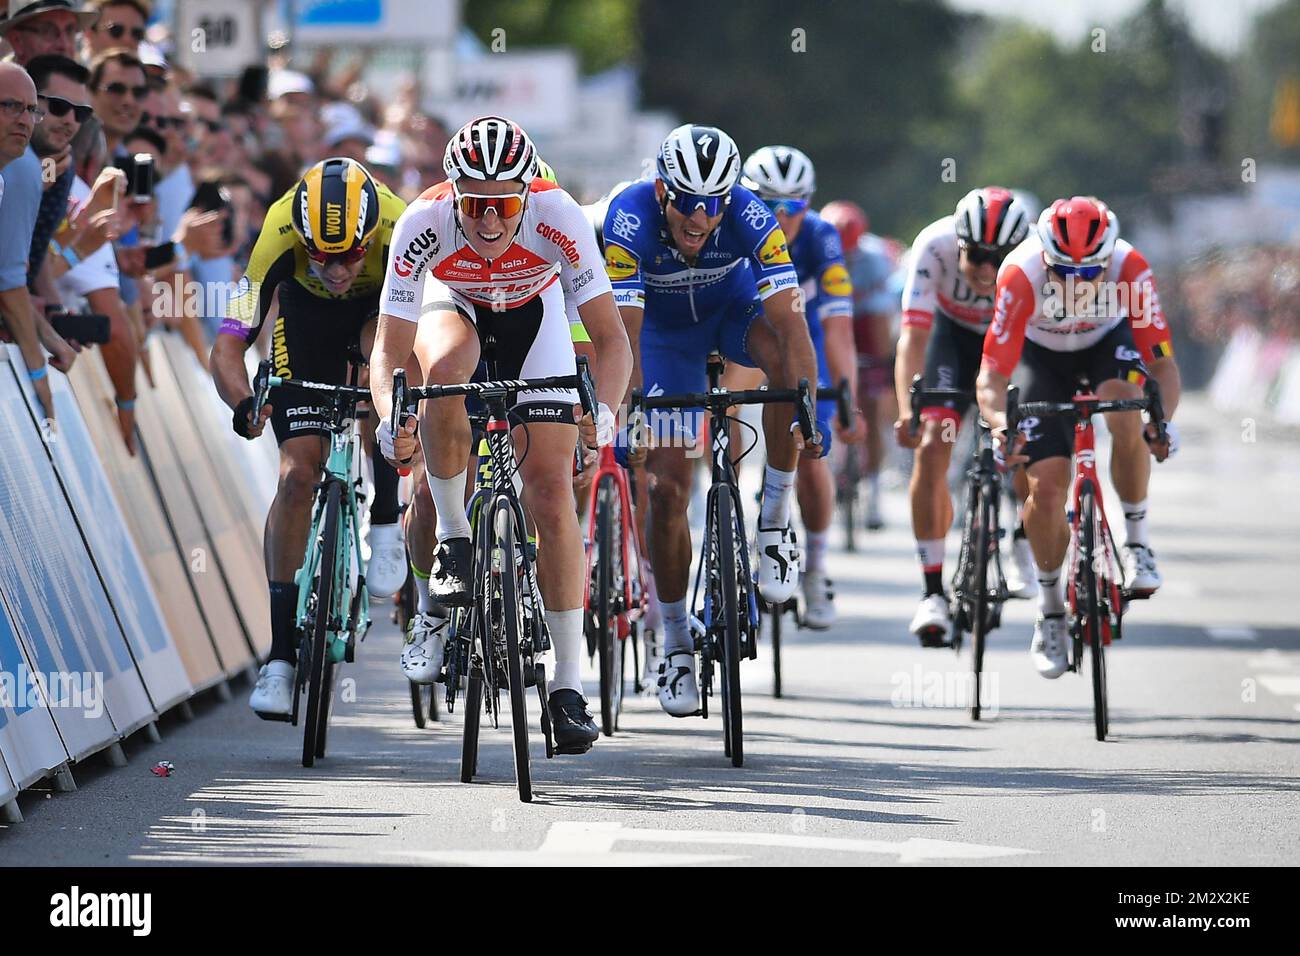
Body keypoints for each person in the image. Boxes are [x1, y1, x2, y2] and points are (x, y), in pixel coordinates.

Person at [368, 116, 632, 754]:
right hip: (452, 310)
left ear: (527, 194)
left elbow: (611, 339)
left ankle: (568, 689)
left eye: (503, 204)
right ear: (453, 194)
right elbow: (389, 348)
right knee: (444, 379)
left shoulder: (558, 215)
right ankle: (449, 563)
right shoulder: (422, 224)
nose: (489, 221)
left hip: (533, 323)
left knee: (550, 492)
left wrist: (609, 410)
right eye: (475, 204)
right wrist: (387, 416)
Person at [602, 124, 820, 716]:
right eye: (687, 206)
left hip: (731, 313)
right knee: (668, 489)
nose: (699, 220)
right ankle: (675, 641)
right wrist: (631, 421)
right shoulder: (628, 220)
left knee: (779, 361)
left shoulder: (751, 216)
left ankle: (774, 519)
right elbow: (626, 339)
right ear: (663, 192)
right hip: (662, 338)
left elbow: (794, 326)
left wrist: (807, 406)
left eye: (712, 206)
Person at [210, 157, 411, 720]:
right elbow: (227, 345)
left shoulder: (400, 227)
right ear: (301, 240)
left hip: (379, 321)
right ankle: (279, 657)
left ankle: (388, 521)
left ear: (370, 237)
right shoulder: (276, 231)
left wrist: (406, 399)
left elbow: (426, 328)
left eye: (350, 254)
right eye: (321, 257)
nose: (339, 268)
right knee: (297, 476)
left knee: (382, 367)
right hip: (303, 329)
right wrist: (245, 404)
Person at [976, 196, 1180, 678]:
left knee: (1128, 412)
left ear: (1107, 260)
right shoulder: (1020, 272)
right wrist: (1001, 426)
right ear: (1043, 255)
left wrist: (1162, 423)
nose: (1075, 283)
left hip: (1107, 347)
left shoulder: (1130, 266)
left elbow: (1163, 364)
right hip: (1041, 357)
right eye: (1063, 272)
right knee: (1046, 487)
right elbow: (990, 374)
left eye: (1089, 274)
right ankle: (1049, 610)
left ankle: (1136, 542)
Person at [896, 186, 1034, 646]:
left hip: (1013, 343)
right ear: (958, 245)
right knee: (933, 444)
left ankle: (1023, 539)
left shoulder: (1037, 257)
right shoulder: (932, 246)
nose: (989, 272)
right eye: (978, 257)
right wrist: (907, 410)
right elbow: (913, 338)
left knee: (1027, 440)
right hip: (952, 343)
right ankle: (932, 591)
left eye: (1001, 259)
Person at [740, 145, 864, 629]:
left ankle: (815, 570)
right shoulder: (735, 231)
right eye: (769, 205)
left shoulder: (821, 238)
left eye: (794, 206)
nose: (782, 217)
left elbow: (837, 330)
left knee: (811, 454)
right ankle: (727, 535)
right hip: (748, 344)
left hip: (804, 345)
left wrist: (847, 394)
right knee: (722, 420)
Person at [0, 60, 74, 419]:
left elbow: (6, 278)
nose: (24, 120)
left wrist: (47, 337)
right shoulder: (26, 170)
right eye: (10, 106)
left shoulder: (12, 171)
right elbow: (9, 286)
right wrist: (37, 373)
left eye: (31, 110)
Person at [821, 199, 898, 530]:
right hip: (828, 317)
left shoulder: (876, 257)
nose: (848, 259)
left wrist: (880, 363)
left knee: (870, 403)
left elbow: (882, 316)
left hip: (864, 322)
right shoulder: (817, 246)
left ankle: (875, 491)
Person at [0, 0, 96, 65]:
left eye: (69, 31)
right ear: (16, 40)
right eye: (48, 31)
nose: (64, 45)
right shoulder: (4, 90)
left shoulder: (88, 90)